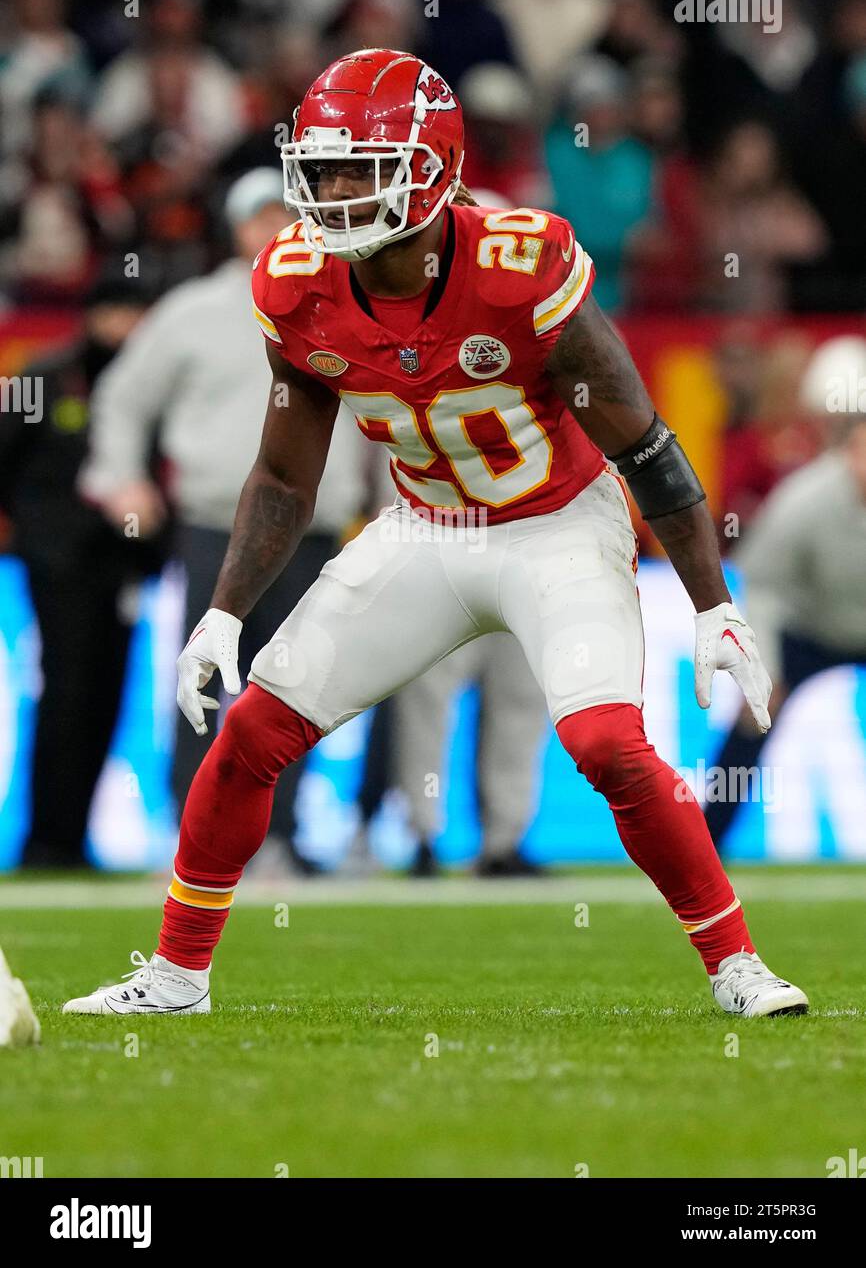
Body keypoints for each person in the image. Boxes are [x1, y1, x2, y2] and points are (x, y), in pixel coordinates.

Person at [64, 49, 806, 1020]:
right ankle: (174, 976)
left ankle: (735, 965)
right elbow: (285, 473)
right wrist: (220, 615)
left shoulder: (520, 266)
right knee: (250, 734)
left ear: (430, 166)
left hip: (554, 526)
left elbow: (647, 445)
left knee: (606, 745)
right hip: (422, 525)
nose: (332, 191)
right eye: (321, 168)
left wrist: (712, 601)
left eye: (358, 166)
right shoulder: (296, 284)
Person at [80, 168, 368, 873]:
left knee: (300, 686)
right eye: (258, 216)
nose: (271, 229)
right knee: (205, 678)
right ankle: (193, 837)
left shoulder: (351, 298)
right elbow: (122, 396)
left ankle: (281, 837)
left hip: (320, 527)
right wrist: (121, 478)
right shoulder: (194, 310)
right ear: (236, 229)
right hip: (219, 524)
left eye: (283, 214)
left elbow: (385, 412)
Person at [0, 275, 162, 868]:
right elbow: (4, 455)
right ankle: (45, 839)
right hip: (60, 565)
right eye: (115, 310)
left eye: (134, 312)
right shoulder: (44, 375)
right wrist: (39, 534)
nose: (124, 325)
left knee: (107, 696)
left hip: (123, 565)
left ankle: (75, 837)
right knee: (64, 693)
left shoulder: (147, 382)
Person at [704, 336, 866, 848]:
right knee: (753, 714)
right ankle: (706, 845)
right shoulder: (804, 500)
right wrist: (766, 668)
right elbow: (767, 586)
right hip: (808, 628)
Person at [395, 634, 548, 878]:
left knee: (518, 708)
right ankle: (422, 838)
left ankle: (503, 845)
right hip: (442, 599)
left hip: (522, 605)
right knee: (426, 708)